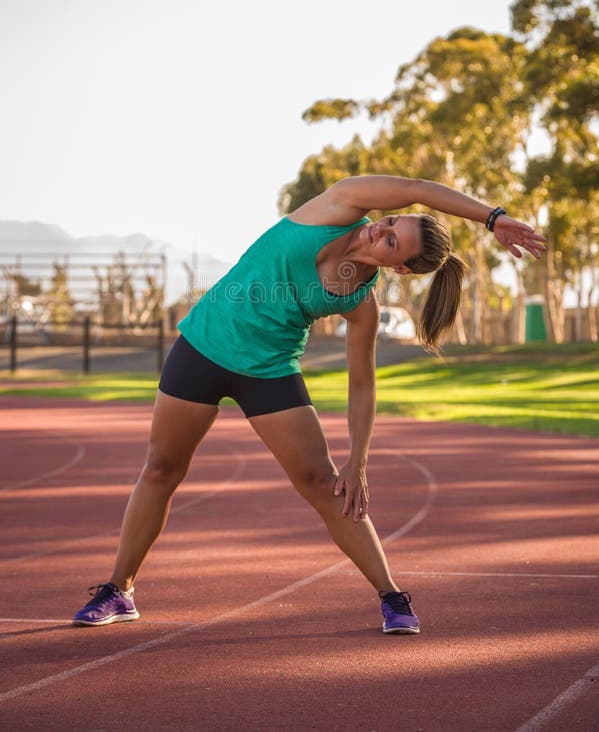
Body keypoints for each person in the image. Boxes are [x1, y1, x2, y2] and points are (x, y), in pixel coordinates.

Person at [72, 175, 545, 634]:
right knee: (161, 469)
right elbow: (418, 188)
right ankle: (119, 589)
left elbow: (363, 385)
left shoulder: (361, 303)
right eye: (391, 223)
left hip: (270, 370)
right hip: (203, 346)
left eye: (391, 243)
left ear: (398, 268)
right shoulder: (340, 205)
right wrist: (492, 217)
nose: (379, 230)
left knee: (324, 483)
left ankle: (391, 596)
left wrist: (357, 462)